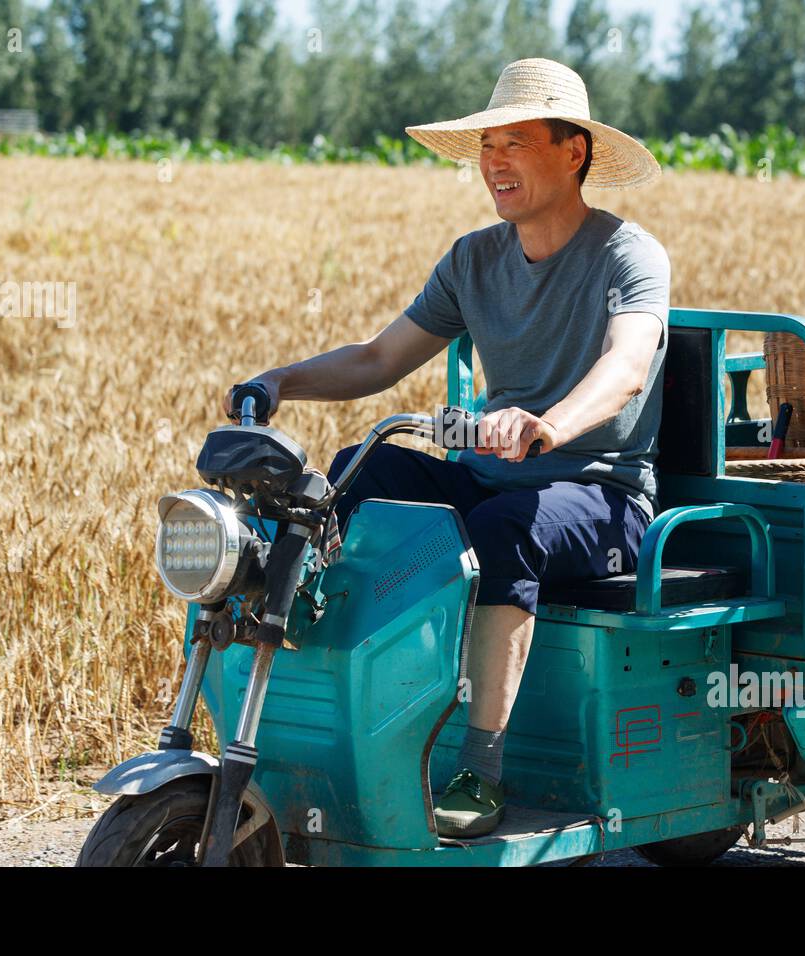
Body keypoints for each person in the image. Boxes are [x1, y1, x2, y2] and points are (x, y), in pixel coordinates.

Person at [222, 58, 671, 838]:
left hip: (602, 496)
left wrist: (550, 425)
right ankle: (324, 697)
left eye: (516, 143)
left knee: (508, 531)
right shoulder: (473, 260)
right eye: (487, 146)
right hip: (494, 476)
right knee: (369, 466)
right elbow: (377, 359)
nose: (494, 162)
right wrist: (277, 382)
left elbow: (627, 367)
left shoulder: (627, 256)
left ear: (574, 153)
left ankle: (482, 772)